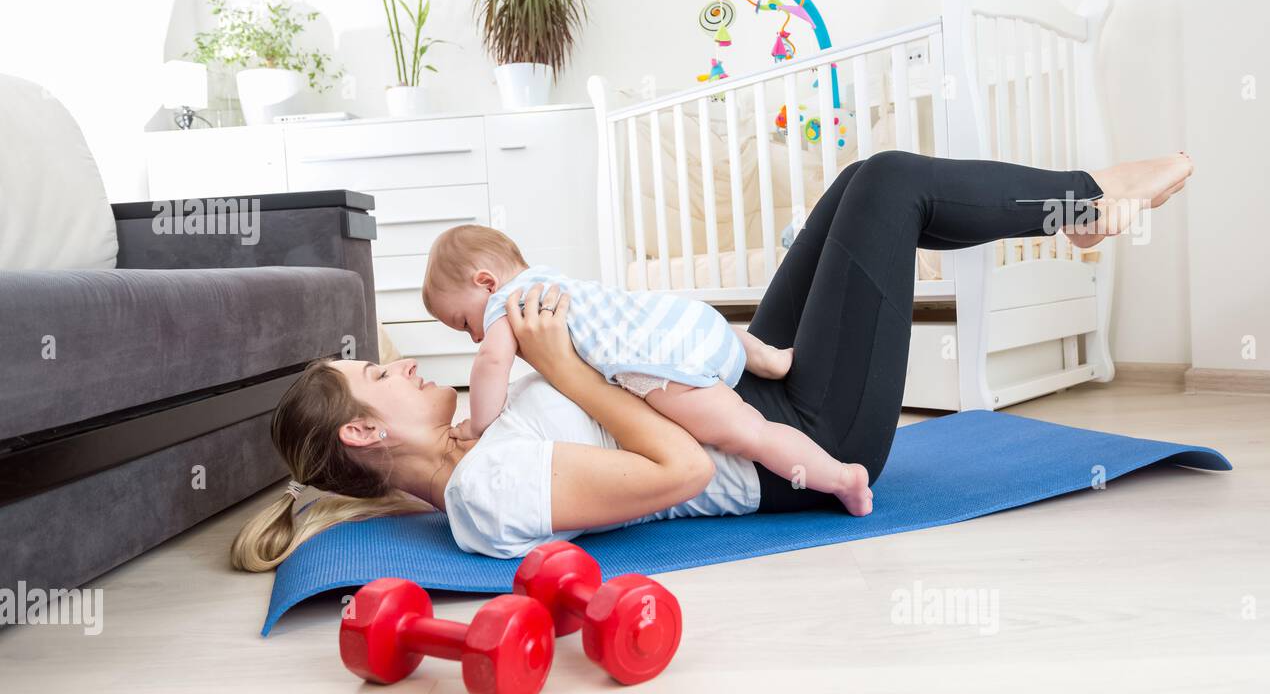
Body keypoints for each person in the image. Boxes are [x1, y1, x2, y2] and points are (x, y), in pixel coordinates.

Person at [231, 150, 1192, 568]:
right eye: (380, 376)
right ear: (365, 428)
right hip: (796, 446)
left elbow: (616, 375)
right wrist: (565, 369)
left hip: (743, 393)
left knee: (857, 183)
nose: (405, 366)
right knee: (894, 186)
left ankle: (1082, 212)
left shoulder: (475, 441)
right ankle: (1085, 203)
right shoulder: (484, 496)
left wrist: (587, 356)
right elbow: (682, 468)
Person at [420, 225, 872, 515]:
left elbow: (491, 364)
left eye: (463, 323)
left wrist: (482, 423)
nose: (475, 337)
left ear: (485, 282)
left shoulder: (507, 304)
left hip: (662, 368)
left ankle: (840, 478)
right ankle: (772, 358)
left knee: (750, 432)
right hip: (694, 322)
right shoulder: (547, 276)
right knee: (736, 350)